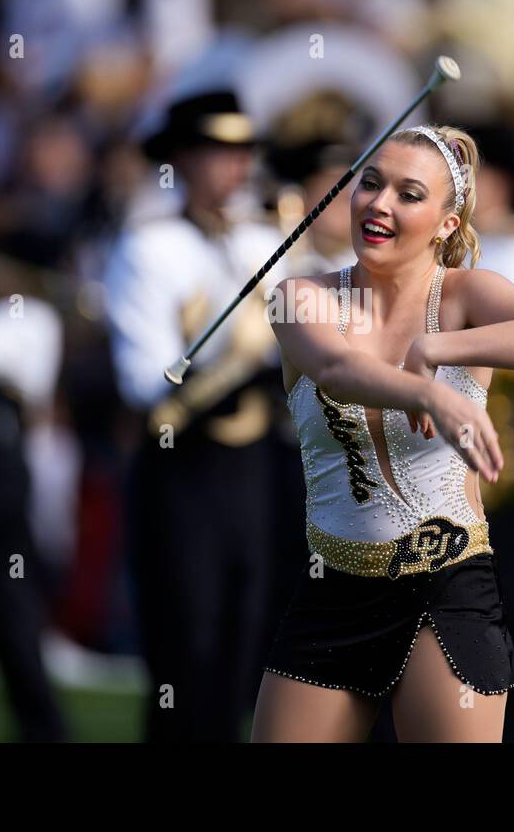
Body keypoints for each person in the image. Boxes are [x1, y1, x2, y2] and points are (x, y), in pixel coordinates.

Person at [250, 124, 514, 742]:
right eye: (370, 184)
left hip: (447, 585)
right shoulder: (299, 296)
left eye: (408, 194)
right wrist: (426, 390)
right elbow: (337, 370)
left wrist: (436, 348)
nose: (379, 204)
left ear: (446, 224)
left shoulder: (467, 295)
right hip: (334, 587)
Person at [104, 89, 294, 741]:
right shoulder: (148, 249)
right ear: (182, 160)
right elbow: (145, 383)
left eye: (242, 154)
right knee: (186, 649)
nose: (234, 169)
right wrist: (243, 353)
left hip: (257, 468)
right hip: (182, 470)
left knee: (246, 650)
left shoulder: (266, 242)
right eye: (218, 153)